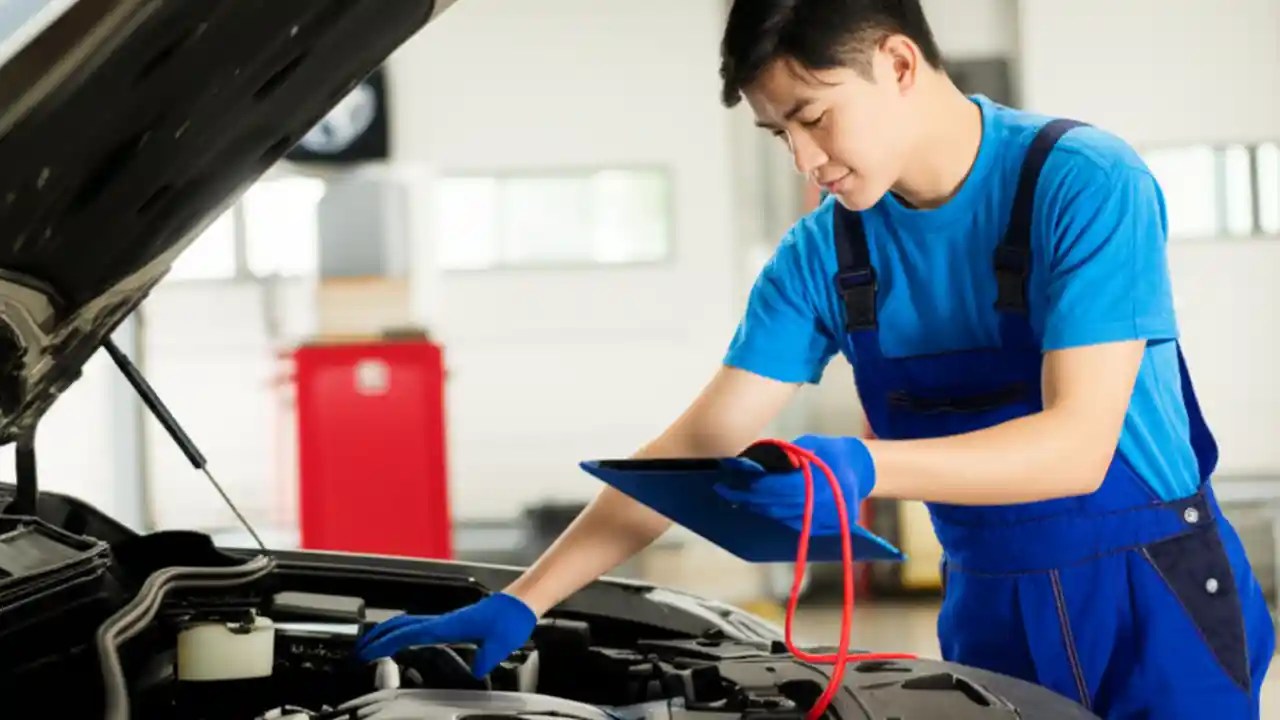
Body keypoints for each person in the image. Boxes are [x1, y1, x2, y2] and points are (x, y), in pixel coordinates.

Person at [355, 1, 1275, 716]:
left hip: (1149, 598)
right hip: (987, 600)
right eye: (777, 134)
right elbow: (694, 447)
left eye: (813, 117)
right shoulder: (827, 255)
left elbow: (1076, 446)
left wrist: (865, 465)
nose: (805, 158)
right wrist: (527, 599)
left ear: (899, 63)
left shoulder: (1082, 184)